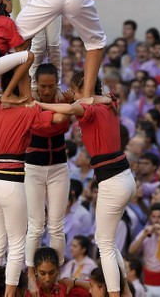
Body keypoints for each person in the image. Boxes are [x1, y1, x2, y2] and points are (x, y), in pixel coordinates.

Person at [37, 74, 134, 297]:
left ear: (84, 91)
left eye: (74, 91)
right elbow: (104, 98)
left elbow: (71, 109)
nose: (72, 94)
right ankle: (125, 290)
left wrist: (38, 104)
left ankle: (115, 294)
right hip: (124, 177)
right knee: (107, 241)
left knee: (105, 244)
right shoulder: (107, 102)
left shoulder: (90, 107)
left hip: (113, 180)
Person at [0, 62, 59, 297]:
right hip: (10, 180)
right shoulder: (28, 111)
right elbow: (58, 118)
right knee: (16, 244)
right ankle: (8, 294)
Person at [24, 63, 72, 269]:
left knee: (56, 226)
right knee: (35, 226)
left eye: (51, 86)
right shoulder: (28, 102)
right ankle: (31, 272)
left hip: (59, 168)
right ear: (36, 83)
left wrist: (43, 108)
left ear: (56, 84)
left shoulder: (62, 100)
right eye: (42, 86)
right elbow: (49, 126)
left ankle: (57, 272)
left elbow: (60, 124)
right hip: (33, 169)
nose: (46, 91)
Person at [25, 246, 95, 296]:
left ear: (58, 269)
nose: (47, 278)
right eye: (42, 273)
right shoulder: (29, 291)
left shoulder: (65, 287)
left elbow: (98, 288)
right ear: (35, 271)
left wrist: (74, 282)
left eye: (52, 273)